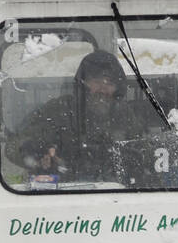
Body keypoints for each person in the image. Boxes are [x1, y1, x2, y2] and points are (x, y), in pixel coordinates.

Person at [8, 49, 143, 183]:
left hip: (113, 191)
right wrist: (39, 154)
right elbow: (13, 147)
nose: (103, 88)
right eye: (96, 81)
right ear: (82, 84)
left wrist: (131, 157)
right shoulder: (58, 110)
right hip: (61, 191)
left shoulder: (124, 114)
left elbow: (142, 148)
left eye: (110, 83)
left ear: (118, 88)